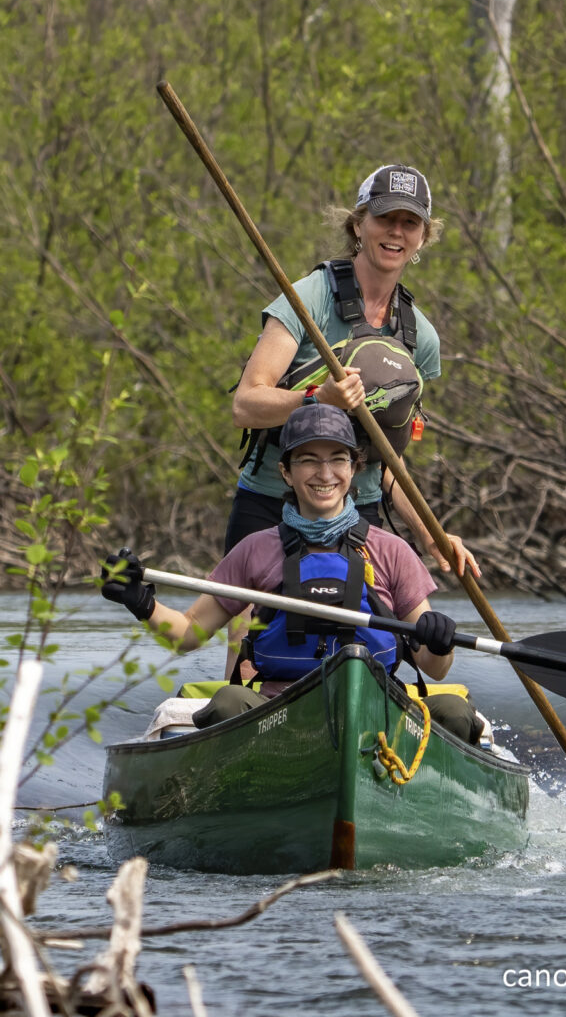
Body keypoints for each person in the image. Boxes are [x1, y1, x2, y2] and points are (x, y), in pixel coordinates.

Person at [101, 403, 484, 744]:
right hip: (278, 713)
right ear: (285, 471)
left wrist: (439, 642)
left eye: (338, 459)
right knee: (228, 700)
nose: (325, 473)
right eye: (308, 460)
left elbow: (435, 669)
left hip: (378, 710)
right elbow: (188, 633)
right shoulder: (256, 549)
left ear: (354, 468)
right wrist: (140, 602)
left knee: (452, 710)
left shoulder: (390, 551)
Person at [227, 162, 480, 580]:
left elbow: (388, 462)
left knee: (357, 646)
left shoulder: (421, 339)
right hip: (272, 505)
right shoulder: (310, 298)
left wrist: (430, 534)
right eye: (385, 218)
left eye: (409, 222)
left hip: (354, 516)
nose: (396, 232)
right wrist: (316, 400)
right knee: (251, 643)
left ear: (422, 237)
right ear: (359, 224)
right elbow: (246, 404)